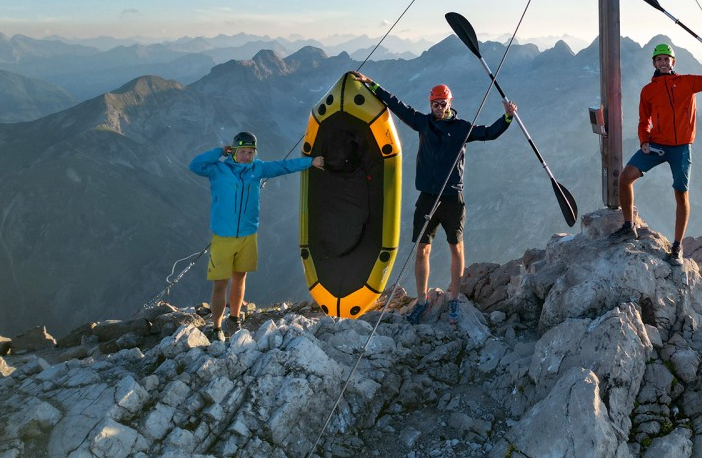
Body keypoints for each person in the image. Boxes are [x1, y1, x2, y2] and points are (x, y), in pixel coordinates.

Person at [357, 74, 517, 325]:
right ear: (430, 104)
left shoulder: (462, 128)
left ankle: (454, 299)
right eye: (435, 104)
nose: (439, 108)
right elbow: (397, 106)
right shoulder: (423, 123)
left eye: (443, 104)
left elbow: (489, 133)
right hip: (428, 196)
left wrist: (507, 117)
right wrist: (372, 84)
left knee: (456, 248)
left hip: (453, 197)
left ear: (450, 103)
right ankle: (421, 301)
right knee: (422, 249)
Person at [189, 131, 324, 342]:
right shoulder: (218, 169)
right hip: (223, 237)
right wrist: (218, 152)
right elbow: (195, 165)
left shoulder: (257, 168)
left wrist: (311, 162)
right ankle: (216, 328)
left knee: (240, 278)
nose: (246, 156)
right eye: (242, 151)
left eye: (250, 152)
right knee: (220, 284)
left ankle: (234, 319)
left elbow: (284, 166)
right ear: (233, 151)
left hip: (248, 235)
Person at [611, 42, 702, 263]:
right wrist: (644, 140)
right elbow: (643, 121)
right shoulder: (648, 91)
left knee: (681, 194)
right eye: (659, 59)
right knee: (626, 177)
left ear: (673, 62)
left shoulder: (687, 82)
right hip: (656, 145)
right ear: (654, 63)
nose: (664, 62)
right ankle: (628, 226)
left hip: (681, 148)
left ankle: (677, 247)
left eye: (667, 59)